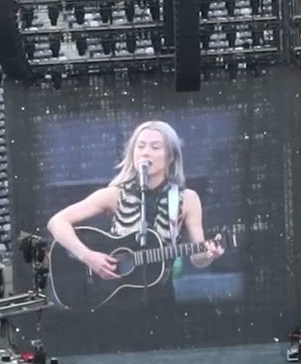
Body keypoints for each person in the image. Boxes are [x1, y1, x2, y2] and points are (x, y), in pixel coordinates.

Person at [46, 120, 224, 286]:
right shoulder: (115, 194)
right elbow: (57, 222)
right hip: (115, 295)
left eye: (155, 147)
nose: (145, 152)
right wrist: (88, 256)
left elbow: (198, 258)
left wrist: (209, 255)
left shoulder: (187, 199)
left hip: (161, 295)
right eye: (140, 146)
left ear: (171, 156)